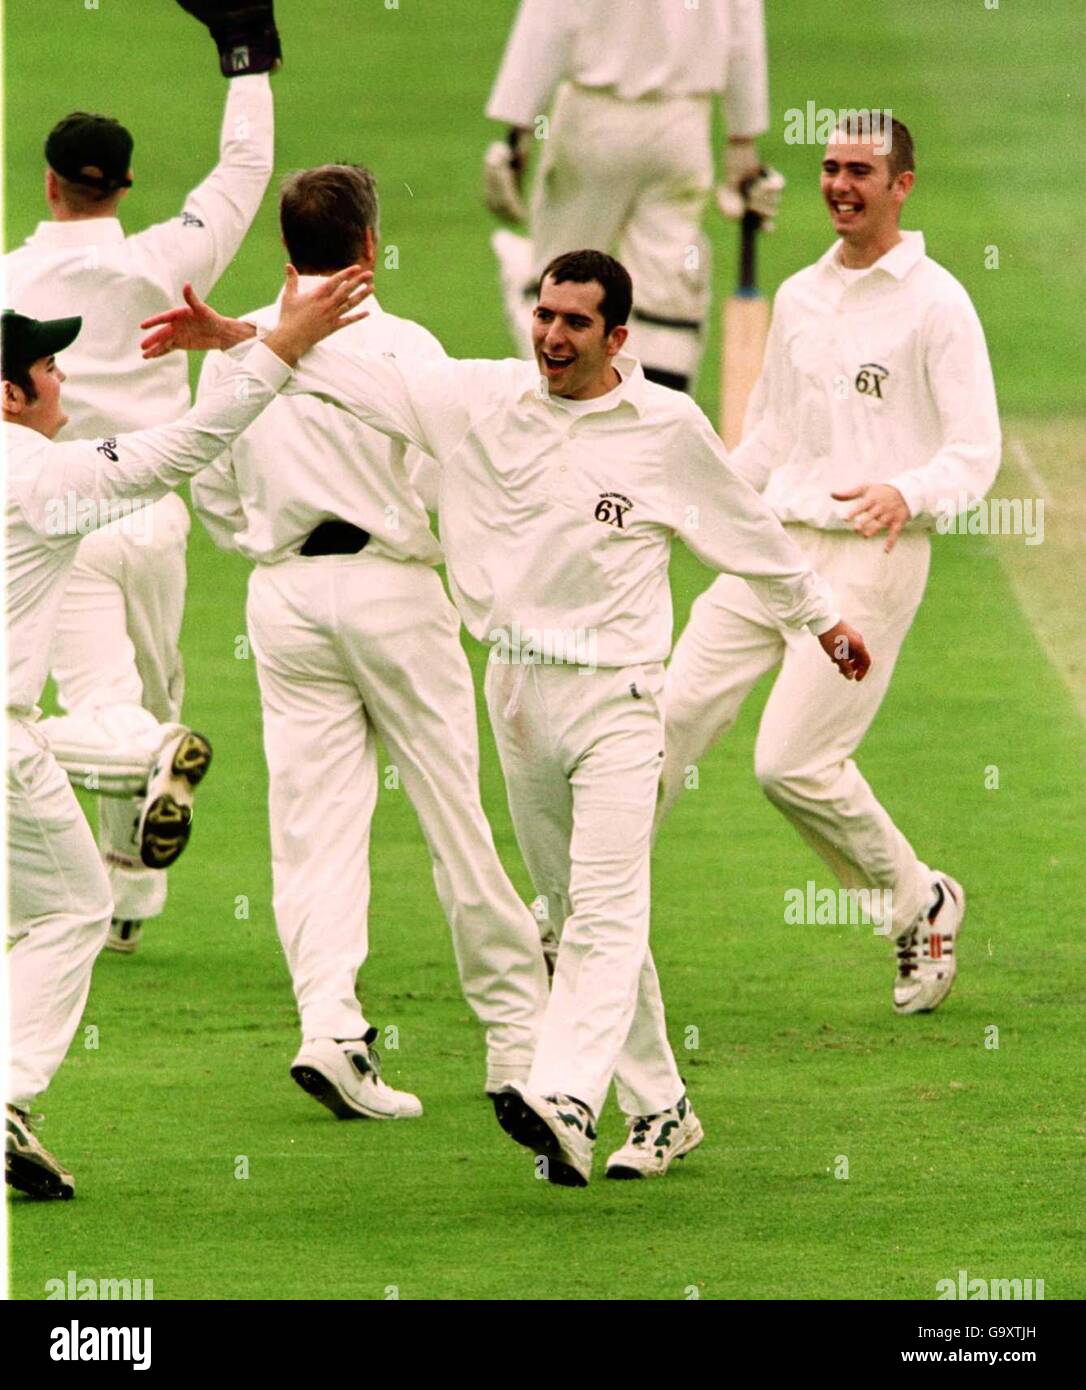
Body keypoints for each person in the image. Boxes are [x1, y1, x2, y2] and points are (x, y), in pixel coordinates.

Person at [141, 249, 871, 1187]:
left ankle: (566, 1096)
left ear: (617, 337)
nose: (552, 335)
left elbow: (749, 533)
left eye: (575, 323)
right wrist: (240, 336)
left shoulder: (665, 429)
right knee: (574, 911)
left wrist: (822, 619)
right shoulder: (480, 400)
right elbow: (352, 380)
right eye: (544, 314)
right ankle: (663, 1107)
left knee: (606, 908)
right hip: (519, 695)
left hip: (619, 696)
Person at [190, 164, 550, 1118]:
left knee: (312, 827)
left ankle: (331, 1030)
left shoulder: (232, 354)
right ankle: (515, 1043)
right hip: (394, 591)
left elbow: (212, 493)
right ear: (367, 249)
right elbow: (447, 478)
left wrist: (275, 545)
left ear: (286, 250)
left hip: (283, 598)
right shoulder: (404, 346)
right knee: (453, 818)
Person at [4, 269, 368, 1200]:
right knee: (74, 906)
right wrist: (277, 345)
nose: (64, 383)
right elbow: (183, 447)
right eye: (49, 367)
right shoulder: (42, 477)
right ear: (10, 393)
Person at [657, 114, 1001, 1014]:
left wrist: (909, 492)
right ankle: (577, 916)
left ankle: (919, 902)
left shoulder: (938, 302)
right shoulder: (804, 296)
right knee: (665, 718)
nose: (841, 185)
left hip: (871, 560)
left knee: (792, 765)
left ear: (903, 186)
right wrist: (699, 511)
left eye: (861, 170)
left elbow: (976, 451)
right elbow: (769, 432)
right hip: (776, 551)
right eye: (830, 168)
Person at [3, 0, 280, 955]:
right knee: (153, 690)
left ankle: (136, 806)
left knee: (98, 710)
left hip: (61, 514)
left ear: (49, 184)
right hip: (157, 511)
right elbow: (245, 170)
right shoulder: (174, 253)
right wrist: (246, 54)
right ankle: (128, 900)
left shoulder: (8, 284)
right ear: (124, 185)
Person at [482, 0, 784, 391]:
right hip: (684, 126)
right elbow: (744, 29)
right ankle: (650, 433)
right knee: (665, 297)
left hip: (593, 121)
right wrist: (742, 141)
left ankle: (553, 401)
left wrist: (516, 132)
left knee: (563, 277)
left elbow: (547, 20)